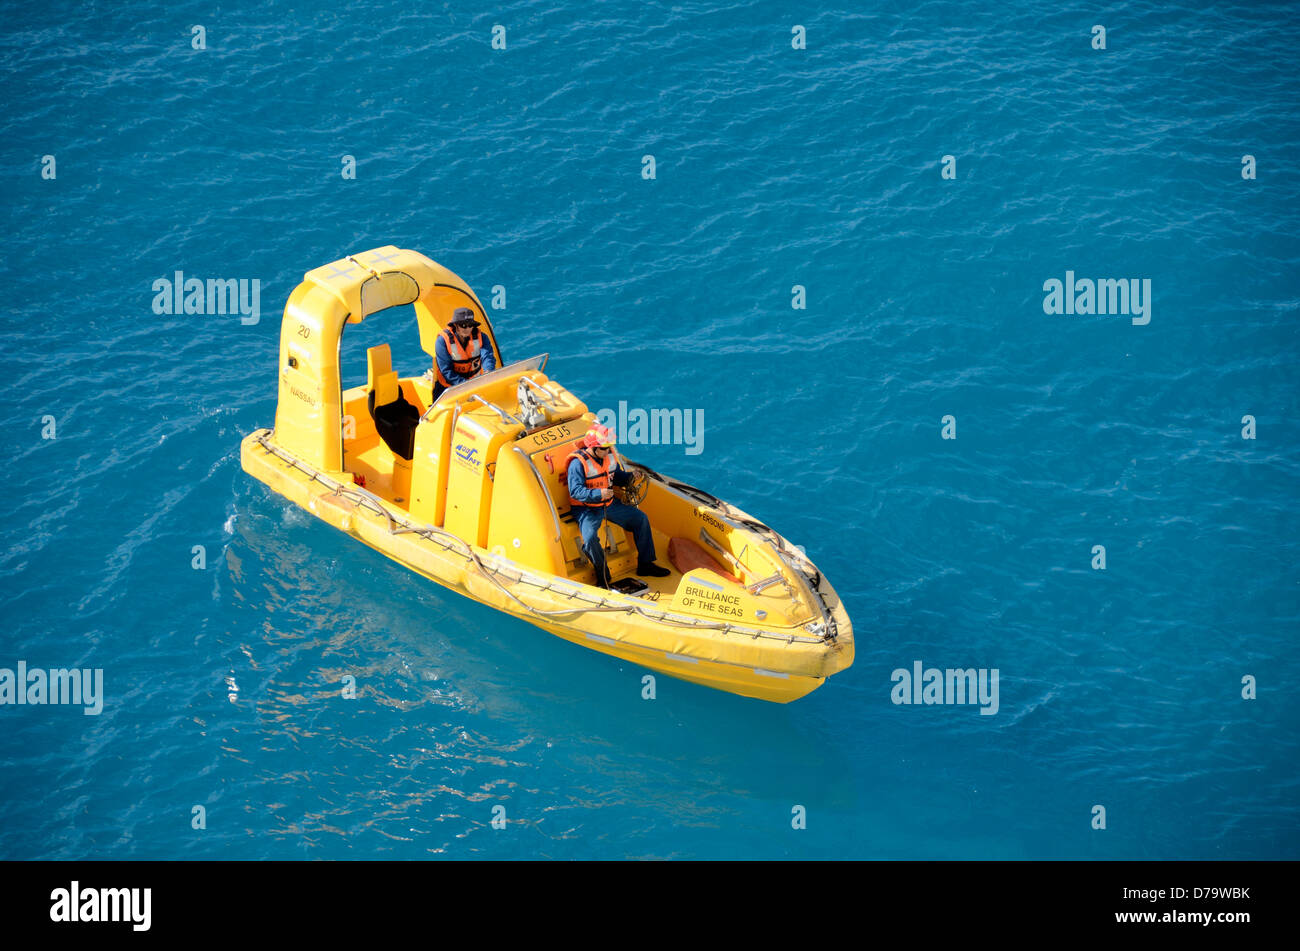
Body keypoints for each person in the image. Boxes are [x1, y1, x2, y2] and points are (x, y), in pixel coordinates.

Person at [566, 424, 671, 588]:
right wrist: (599, 494)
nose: (608, 450)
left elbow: (617, 477)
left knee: (640, 519)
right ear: (593, 447)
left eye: (609, 447)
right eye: (604, 448)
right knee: (590, 539)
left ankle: (646, 564)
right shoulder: (577, 464)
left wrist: (631, 477)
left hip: (608, 503)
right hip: (586, 509)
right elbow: (575, 491)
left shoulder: (609, 456)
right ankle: (603, 576)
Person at [431, 307, 496, 400]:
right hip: (447, 389)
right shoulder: (442, 341)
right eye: (463, 325)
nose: (467, 329)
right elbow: (446, 371)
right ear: (455, 325)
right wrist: (466, 385)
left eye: (470, 325)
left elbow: (488, 357)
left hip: (474, 386)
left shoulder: (482, 337)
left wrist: (488, 371)